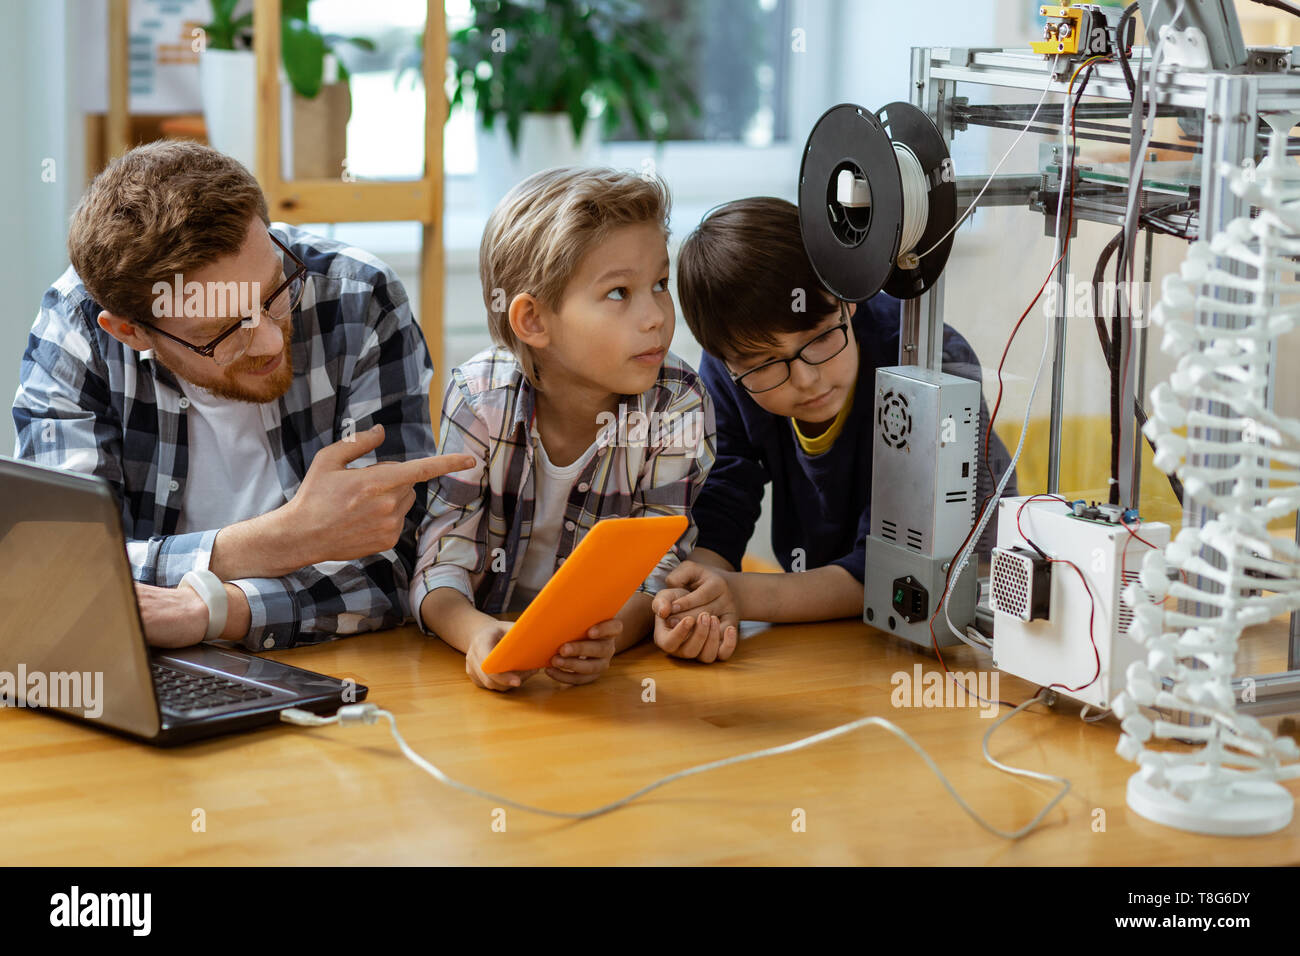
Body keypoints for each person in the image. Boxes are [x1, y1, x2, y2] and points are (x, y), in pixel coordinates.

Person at [12, 141, 472, 650]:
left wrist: (213, 610)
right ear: (130, 331)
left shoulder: (358, 298)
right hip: (135, 664)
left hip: (327, 665)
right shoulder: (77, 329)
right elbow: (59, 562)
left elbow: (394, 565)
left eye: (276, 291)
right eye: (222, 330)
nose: (273, 340)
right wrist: (285, 539)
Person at [654, 196, 1016, 653]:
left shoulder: (928, 362)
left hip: (956, 617)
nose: (806, 379)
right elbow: (723, 505)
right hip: (827, 614)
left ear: (849, 299)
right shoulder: (731, 371)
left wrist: (738, 594)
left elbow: (896, 569)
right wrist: (694, 598)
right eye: (766, 364)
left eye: (820, 337)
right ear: (729, 363)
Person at [411, 167, 717, 691]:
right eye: (619, 292)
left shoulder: (677, 404)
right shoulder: (478, 400)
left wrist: (608, 639)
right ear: (533, 321)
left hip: (607, 674)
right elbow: (441, 561)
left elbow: (659, 569)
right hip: (472, 672)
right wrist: (480, 635)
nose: (657, 317)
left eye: (660, 284)